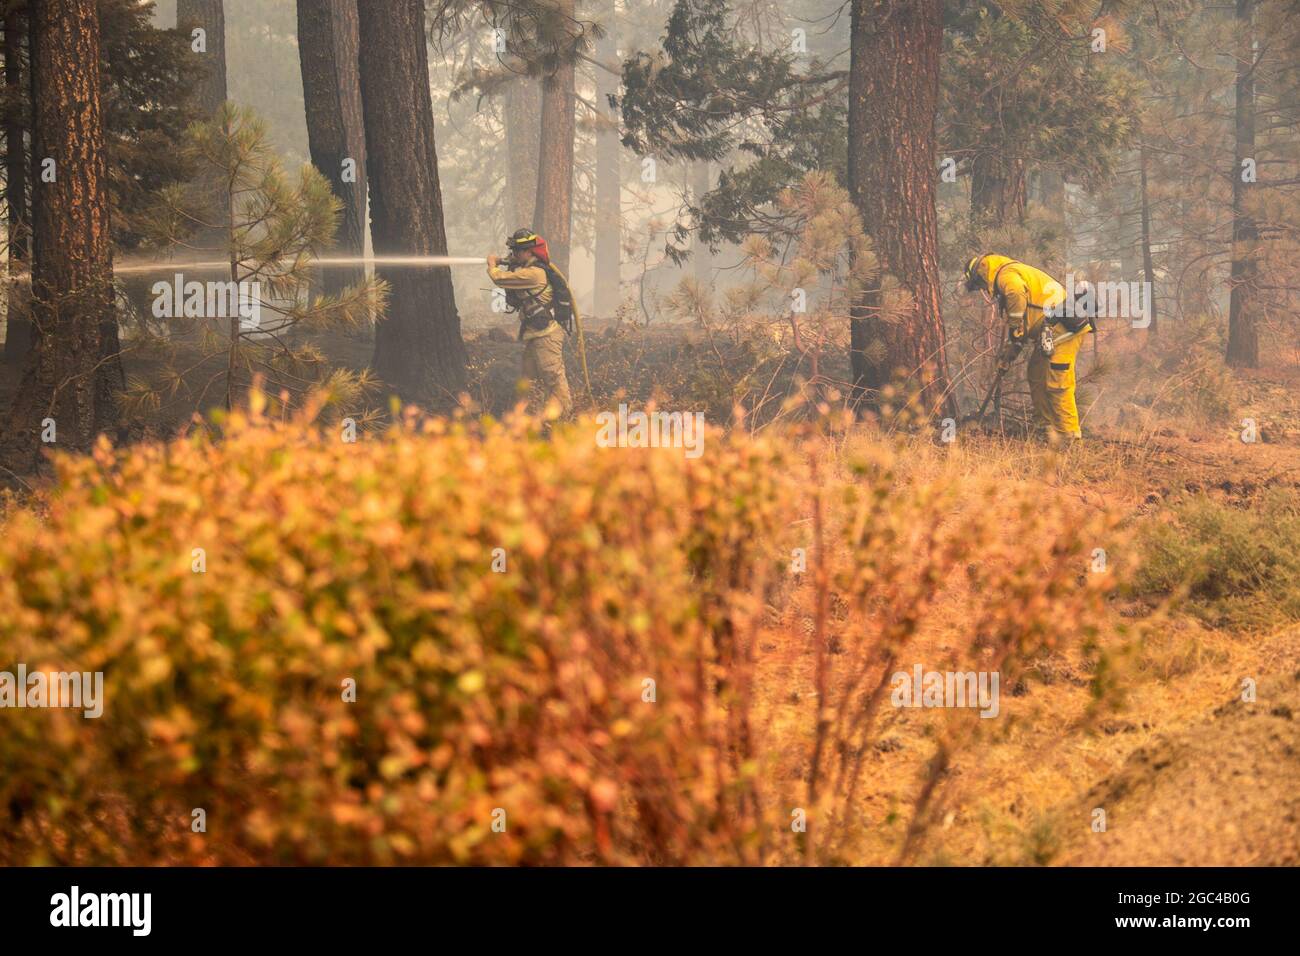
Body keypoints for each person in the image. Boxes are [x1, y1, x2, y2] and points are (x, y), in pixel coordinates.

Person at [963, 254, 1093, 441]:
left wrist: (1015, 327)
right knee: (1036, 374)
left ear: (982, 274)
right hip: (1050, 331)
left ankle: (1069, 438)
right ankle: (1044, 428)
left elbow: (1016, 295)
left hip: (1063, 329)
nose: (982, 289)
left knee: (1058, 384)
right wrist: (1009, 354)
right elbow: (1024, 326)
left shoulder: (1006, 276)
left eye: (980, 285)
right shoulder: (1010, 272)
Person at [486, 229, 575, 418]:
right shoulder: (529, 271)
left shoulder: (534, 274)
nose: (514, 255)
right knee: (529, 379)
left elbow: (499, 278)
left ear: (529, 252)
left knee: (553, 377)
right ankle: (536, 417)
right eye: (513, 251)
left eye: (517, 251)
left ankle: (566, 418)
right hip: (535, 335)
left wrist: (492, 264)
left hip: (546, 336)